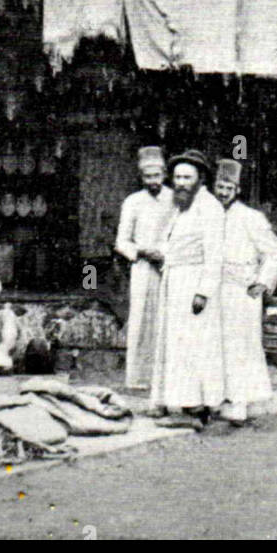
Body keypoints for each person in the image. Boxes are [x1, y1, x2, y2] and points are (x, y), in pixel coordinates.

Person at [150, 150, 225, 428]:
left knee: (193, 346)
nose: (180, 183)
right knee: (178, 345)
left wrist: (203, 292)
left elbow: (215, 253)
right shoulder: (182, 207)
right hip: (175, 282)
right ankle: (184, 404)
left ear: (200, 178)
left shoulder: (209, 206)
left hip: (194, 285)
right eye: (177, 177)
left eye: (187, 177)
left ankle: (195, 406)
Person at [214, 159, 277, 426]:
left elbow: (276, 253)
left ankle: (241, 402)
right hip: (215, 291)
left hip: (241, 292)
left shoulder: (250, 217)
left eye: (228, 187)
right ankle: (222, 398)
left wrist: (262, 282)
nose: (223, 192)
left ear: (237, 190)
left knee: (241, 347)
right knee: (218, 346)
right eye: (219, 186)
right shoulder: (208, 215)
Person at [115, 145, 174, 391]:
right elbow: (121, 241)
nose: (153, 181)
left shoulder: (175, 199)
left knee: (167, 319)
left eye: (157, 176)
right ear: (141, 178)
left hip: (169, 266)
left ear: (164, 175)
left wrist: (165, 253)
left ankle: (167, 379)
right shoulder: (133, 202)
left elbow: (181, 234)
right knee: (140, 319)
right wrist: (139, 251)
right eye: (148, 177)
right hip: (141, 267)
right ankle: (139, 379)